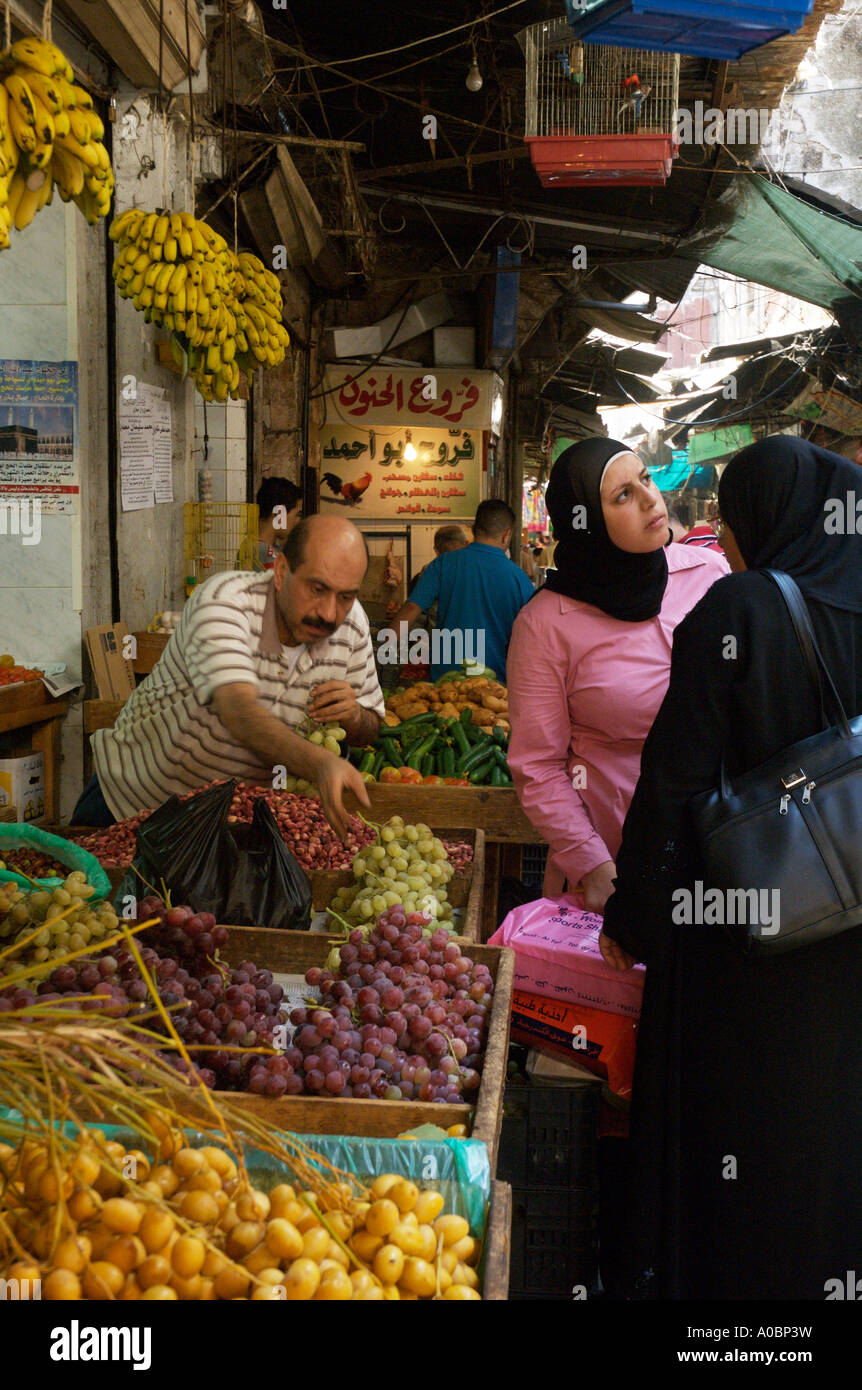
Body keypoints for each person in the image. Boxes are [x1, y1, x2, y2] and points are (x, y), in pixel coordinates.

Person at [599, 435, 862, 1300]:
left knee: (739, 1133)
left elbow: (672, 784)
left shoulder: (739, 607)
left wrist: (634, 918)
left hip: (742, 940)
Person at [507, 439, 729, 909]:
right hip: (616, 857)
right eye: (622, 496)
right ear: (584, 520)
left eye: (645, 479)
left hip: (723, 844)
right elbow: (539, 766)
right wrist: (592, 864)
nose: (650, 499)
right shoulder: (546, 623)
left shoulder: (710, 574)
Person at [73, 515, 381, 837]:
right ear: (280, 571)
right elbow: (237, 711)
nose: (330, 613)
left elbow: (370, 727)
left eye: (346, 597)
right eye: (317, 589)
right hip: (134, 805)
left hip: (226, 824)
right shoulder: (225, 601)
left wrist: (354, 714)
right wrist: (317, 762)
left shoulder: (353, 624)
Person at [391, 501, 533, 680]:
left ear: (474, 530)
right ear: (506, 535)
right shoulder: (519, 579)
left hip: (446, 683)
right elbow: (531, 639)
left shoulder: (443, 564)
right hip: (493, 687)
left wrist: (385, 652)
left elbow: (411, 609)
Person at [238, 477, 302, 571]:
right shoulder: (261, 552)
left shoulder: (252, 547)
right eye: (297, 515)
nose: (298, 521)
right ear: (280, 513)